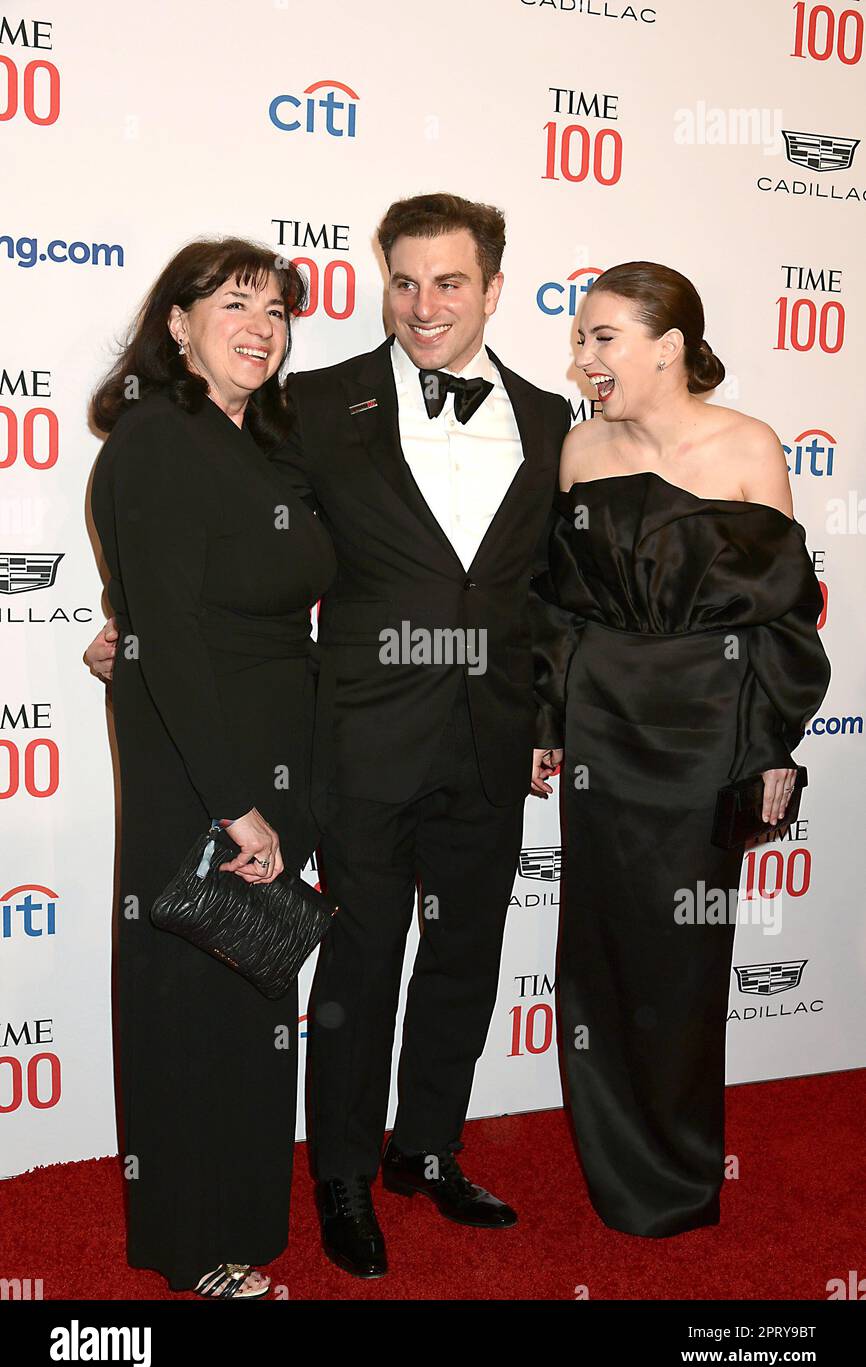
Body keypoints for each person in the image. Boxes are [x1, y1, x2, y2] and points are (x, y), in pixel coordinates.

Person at [86, 192, 571, 1280]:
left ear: (493, 288)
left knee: (464, 954)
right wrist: (131, 628)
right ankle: (343, 1174)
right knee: (357, 958)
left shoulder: (547, 419)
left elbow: (548, 591)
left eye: (449, 282)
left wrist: (544, 714)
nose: (422, 303)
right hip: (354, 736)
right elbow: (208, 532)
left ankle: (428, 1149)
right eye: (402, 280)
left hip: (487, 736)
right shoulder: (309, 402)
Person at [529, 261, 831, 1237]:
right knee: (599, 950)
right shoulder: (578, 451)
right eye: (578, 337)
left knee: (683, 958)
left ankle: (678, 1174)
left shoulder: (746, 446)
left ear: (668, 345)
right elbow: (558, 610)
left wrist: (768, 746)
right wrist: (547, 722)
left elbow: (784, 620)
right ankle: (614, 1162)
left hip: (704, 731)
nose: (581, 357)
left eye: (601, 337)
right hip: (603, 730)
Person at [88, 238, 336, 1296]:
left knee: (248, 990)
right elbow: (175, 642)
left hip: (277, 759)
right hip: (204, 767)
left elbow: (183, 590)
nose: (262, 326)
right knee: (188, 996)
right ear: (176, 322)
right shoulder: (155, 437)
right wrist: (235, 807)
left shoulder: (267, 447)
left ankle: (237, 1219)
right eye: (235, 303)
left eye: (278, 310)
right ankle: (192, 1244)